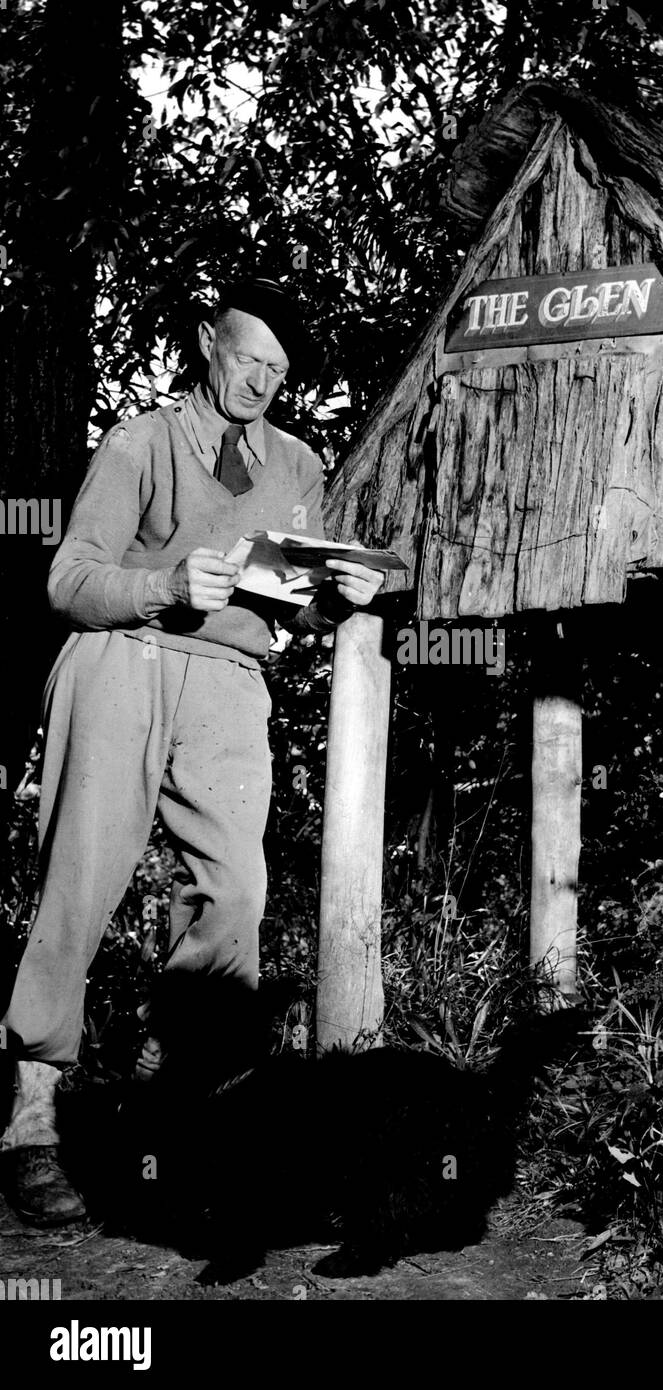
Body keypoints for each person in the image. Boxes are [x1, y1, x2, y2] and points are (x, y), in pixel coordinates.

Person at [0, 277, 384, 1225]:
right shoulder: (141, 442)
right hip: (121, 660)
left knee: (236, 892)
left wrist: (345, 596)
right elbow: (69, 581)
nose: (261, 379)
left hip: (227, 682)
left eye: (279, 370)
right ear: (210, 343)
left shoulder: (297, 462)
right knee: (80, 881)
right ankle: (34, 1119)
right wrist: (167, 581)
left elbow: (301, 590)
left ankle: (175, 1096)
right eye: (248, 357)